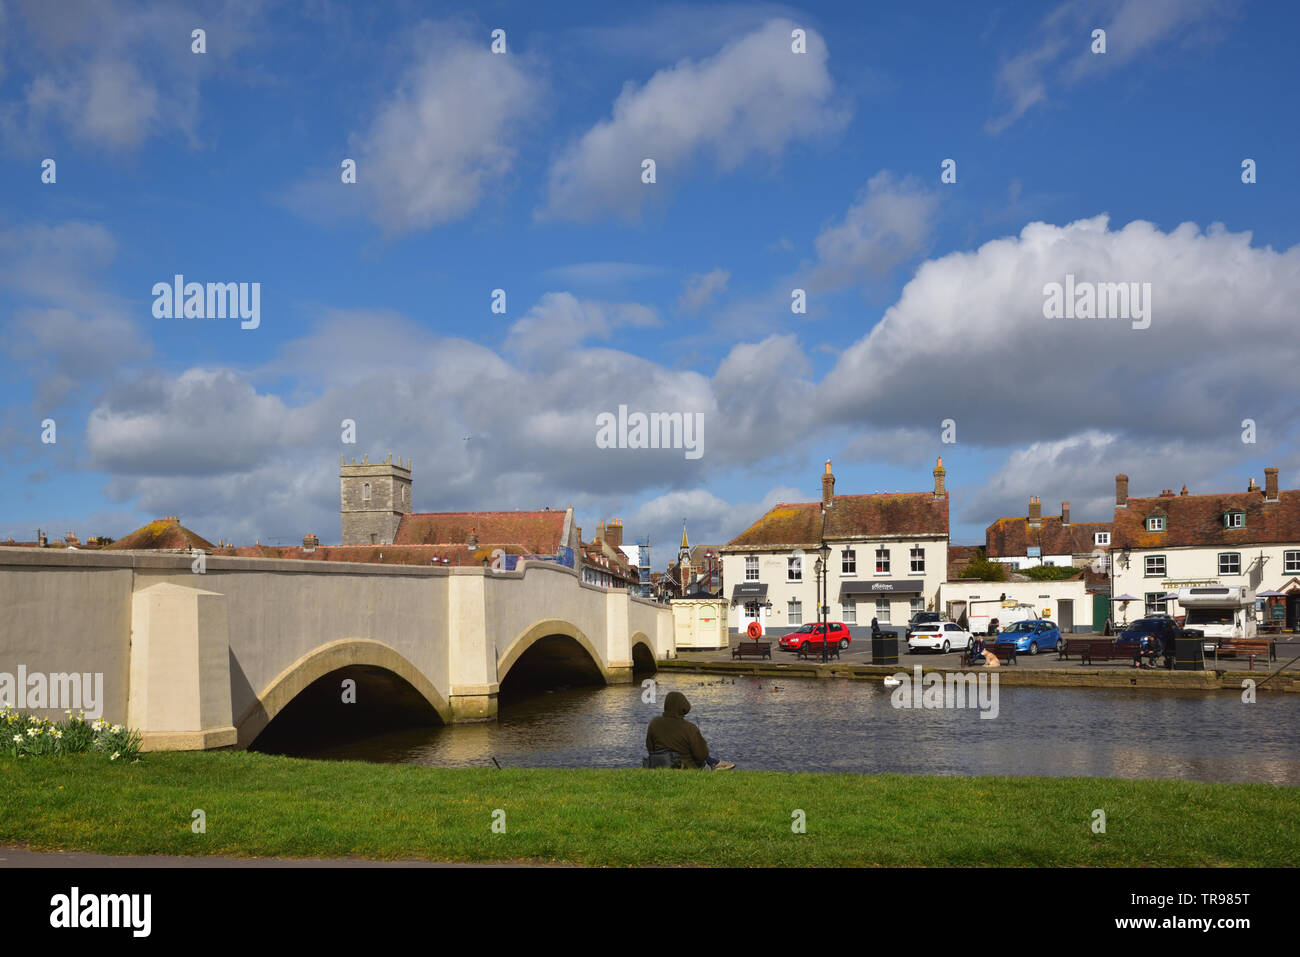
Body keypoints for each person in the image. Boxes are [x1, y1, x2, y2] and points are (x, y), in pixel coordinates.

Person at [646, 691, 735, 770]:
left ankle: (715, 762)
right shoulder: (690, 728)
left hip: (660, 766)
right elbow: (701, 755)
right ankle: (716, 764)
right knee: (706, 762)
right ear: (684, 707)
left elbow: (650, 748)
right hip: (686, 768)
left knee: (708, 760)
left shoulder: (654, 723)